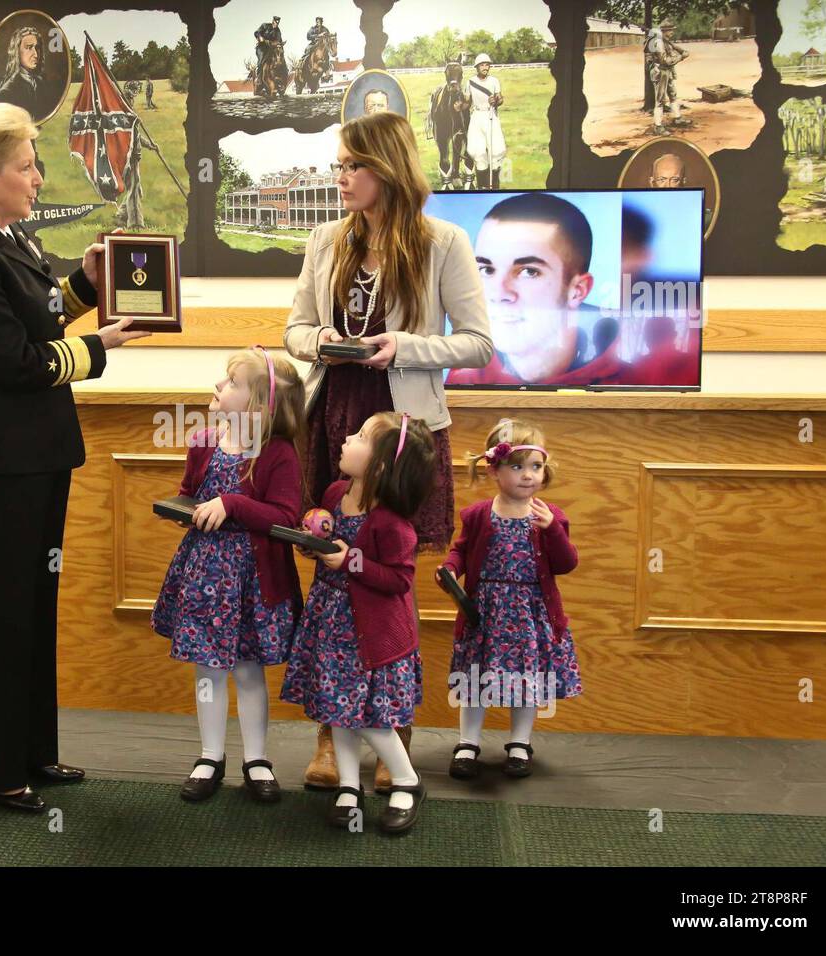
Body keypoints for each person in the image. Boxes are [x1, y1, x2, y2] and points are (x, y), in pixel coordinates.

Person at [0, 102, 148, 812]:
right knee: (4, 609)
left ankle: (33, 749)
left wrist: (83, 282)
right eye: (25, 166)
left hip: (36, 453)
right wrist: (99, 347)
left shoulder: (6, 236)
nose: (36, 176)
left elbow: (40, 311)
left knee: (34, 603)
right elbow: (14, 361)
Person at [283, 110, 492, 791]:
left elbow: (477, 343)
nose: (339, 176)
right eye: (338, 164)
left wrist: (403, 347)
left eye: (352, 165)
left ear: (389, 168)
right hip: (335, 418)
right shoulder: (325, 240)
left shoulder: (443, 242)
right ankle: (330, 731)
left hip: (402, 429)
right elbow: (295, 328)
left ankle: (392, 731)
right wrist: (322, 343)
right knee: (331, 566)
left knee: (390, 575)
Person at [152, 347, 306, 804]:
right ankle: (209, 755)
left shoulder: (277, 454)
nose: (219, 387)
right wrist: (182, 511)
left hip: (252, 582)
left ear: (259, 406)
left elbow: (285, 514)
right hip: (204, 576)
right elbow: (189, 493)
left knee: (248, 670)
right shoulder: (202, 442)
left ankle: (256, 759)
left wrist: (232, 505)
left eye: (233, 382)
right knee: (208, 670)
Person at [282, 412, 434, 834]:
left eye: (362, 436)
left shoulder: (391, 523)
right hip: (331, 624)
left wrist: (350, 559)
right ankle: (349, 788)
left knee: (370, 718)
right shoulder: (335, 493)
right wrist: (314, 545)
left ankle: (407, 780)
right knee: (339, 711)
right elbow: (330, 545)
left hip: (370, 637)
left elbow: (398, 579)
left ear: (382, 466)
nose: (347, 438)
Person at [438, 419, 581, 780]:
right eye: (517, 467)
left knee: (527, 680)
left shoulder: (549, 517)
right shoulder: (477, 515)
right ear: (493, 470)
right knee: (475, 679)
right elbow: (461, 550)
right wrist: (450, 570)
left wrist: (553, 533)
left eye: (535, 466)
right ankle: (468, 742)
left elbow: (566, 564)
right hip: (486, 612)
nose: (528, 475)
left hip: (530, 613)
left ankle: (520, 742)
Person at [447, 192, 630, 387]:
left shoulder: (640, 371)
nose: (498, 294)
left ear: (577, 290)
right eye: (487, 269)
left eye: (528, 272)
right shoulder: (467, 369)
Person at [466, 53, 506, 189]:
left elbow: (500, 99)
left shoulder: (494, 81)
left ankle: (494, 187)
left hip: (491, 116)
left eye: (487, 65)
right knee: (478, 152)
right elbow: (467, 102)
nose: (485, 67)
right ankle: (481, 187)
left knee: (496, 151)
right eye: (482, 65)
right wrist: (459, 106)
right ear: (477, 67)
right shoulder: (470, 81)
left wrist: (496, 101)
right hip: (477, 116)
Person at [646, 20, 689, 134]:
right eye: (671, 30)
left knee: (673, 95)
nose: (672, 32)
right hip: (660, 71)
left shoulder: (666, 41)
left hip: (667, 71)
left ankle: (678, 118)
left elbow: (671, 55)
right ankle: (658, 126)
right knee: (660, 100)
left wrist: (679, 53)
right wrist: (681, 57)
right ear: (665, 31)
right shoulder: (659, 43)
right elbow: (664, 61)